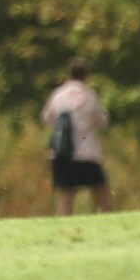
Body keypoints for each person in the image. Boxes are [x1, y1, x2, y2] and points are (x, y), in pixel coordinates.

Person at [41, 57, 113, 216]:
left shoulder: (58, 95)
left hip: (63, 153)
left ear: (69, 74)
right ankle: (111, 223)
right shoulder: (89, 96)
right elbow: (102, 122)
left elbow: (46, 119)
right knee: (101, 193)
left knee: (66, 196)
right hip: (87, 153)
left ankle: (64, 230)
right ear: (86, 76)